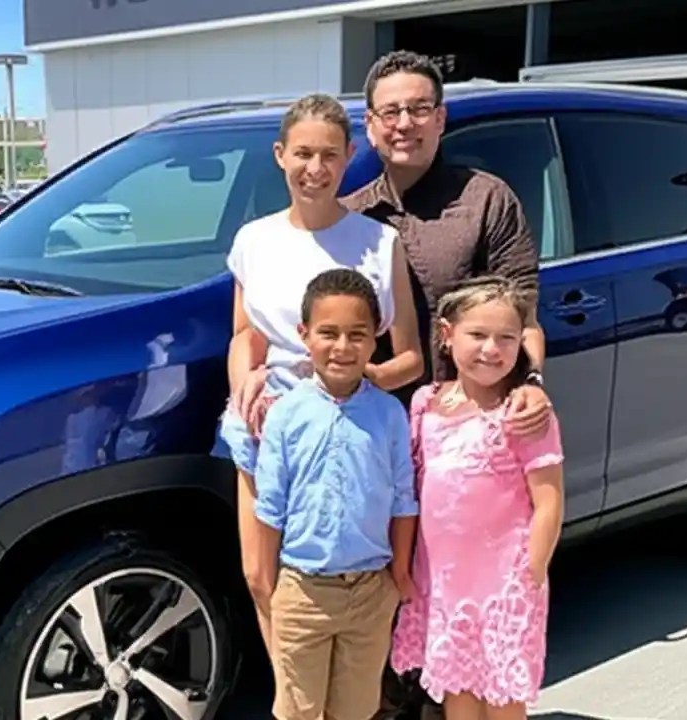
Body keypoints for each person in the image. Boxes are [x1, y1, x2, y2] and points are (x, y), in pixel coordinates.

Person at [341, 50, 556, 720]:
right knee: (392, 595)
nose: (404, 123)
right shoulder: (348, 219)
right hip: (383, 436)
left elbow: (522, 314)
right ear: (370, 125)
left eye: (418, 108)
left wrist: (532, 380)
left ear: (441, 117)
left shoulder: (485, 199)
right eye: (390, 111)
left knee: (464, 603)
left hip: (475, 442)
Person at [220, 92, 425, 654]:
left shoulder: (379, 242)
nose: (316, 168)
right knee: (261, 576)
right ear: (280, 155)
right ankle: (292, 695)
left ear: (349, 156)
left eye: (330, 155)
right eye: (303, 154)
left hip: (349, 423)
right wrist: (244, 384)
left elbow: (410, 356)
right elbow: (245, 334)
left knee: (340, 576)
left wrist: (357, 382)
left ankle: (346, 693)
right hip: (267, 418)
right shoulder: (254, 241)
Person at [389, 276, 565, 720]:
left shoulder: (524, 413)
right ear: (447, 335)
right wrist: (405, 565)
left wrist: (531, 573)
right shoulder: (426, 404)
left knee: (503, 696)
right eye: (478, 334)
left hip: (505, 584)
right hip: (444, 585)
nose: (491, 349)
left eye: (506, 338)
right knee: (459, 692)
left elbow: (549, 501)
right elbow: (413, 490)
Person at [250, 267, 418, 720]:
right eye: (329, 333)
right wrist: (267, 581)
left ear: (374, 339)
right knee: (298, 710)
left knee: (357, 710)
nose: (343, 347)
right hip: (303, 589)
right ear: (304, 335)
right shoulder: (286, 414)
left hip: (370, 591)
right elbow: (270, 504)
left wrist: (400, 572)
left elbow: (403, 498)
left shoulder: (389, 414)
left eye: (356, 334)